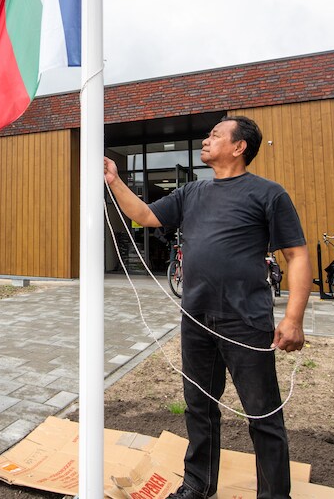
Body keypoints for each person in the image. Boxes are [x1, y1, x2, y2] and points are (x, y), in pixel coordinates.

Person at [103, 115, 311, 499]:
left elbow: (297, 256)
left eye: (215, 135)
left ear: (239, 146)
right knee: (199, 407)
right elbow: (146, 215)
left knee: (262, 414)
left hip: (245, 320)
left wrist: (293, 318)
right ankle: (198, 485)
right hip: (195, 319)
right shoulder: (192, 193)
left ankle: (274, 495)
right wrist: (115, 180)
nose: (206, 139)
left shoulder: (268, 194)